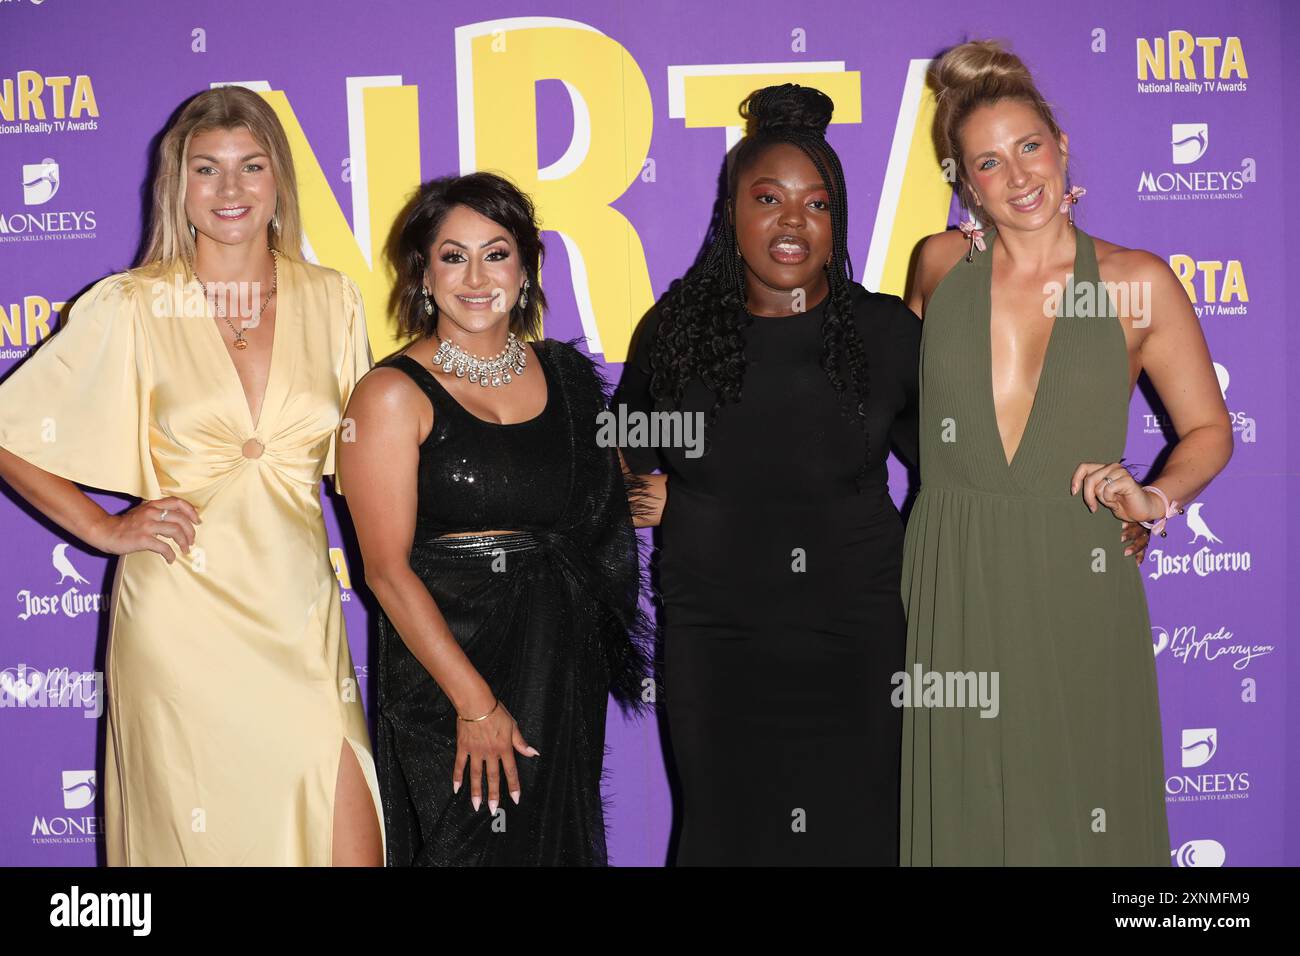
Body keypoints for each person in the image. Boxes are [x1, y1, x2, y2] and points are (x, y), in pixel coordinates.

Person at [0, 86, 382, 866]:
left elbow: (375, 461)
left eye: (251, 166)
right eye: (207, 169)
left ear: (280, 182)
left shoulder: (332, 299)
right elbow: (11, 431)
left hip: (299, 623)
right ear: (178, 185)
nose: (231, 189)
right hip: (178, 624)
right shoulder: (133, 305)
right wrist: (105, 528)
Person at [901, 40, 1233, 865]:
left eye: (1029, 147)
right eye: (987, 162)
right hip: (952, 575)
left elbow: (1210, 431)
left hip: (1075, 574)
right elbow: (887, 406)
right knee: (963, 815)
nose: (1017, 177)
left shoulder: (1138, 282)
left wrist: (1157, 501)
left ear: (1061, 147)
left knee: (1084, 815)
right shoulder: (938, 268)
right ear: (963, 182)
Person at [616, 84, 920, 865]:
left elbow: (953, 470)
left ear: (837, 221)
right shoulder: (677, 328)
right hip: (716, 639)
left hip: (857, 636)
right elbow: (621, 443)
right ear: (731, 214)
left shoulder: (885, 333)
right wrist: (642, 494)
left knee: (861, 831)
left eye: (817, 204)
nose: (793, 222)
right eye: (768, 198)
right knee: (726, 833)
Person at [340, 172, 651, 866]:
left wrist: (687, 501)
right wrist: (475, 704)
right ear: (422, 273)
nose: (476, 276)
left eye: (497, 252)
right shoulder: (390, 394)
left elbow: (598, 497)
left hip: (558, 663)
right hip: (450, 675)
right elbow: (386, 572)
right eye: (453, 256)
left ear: (527, 267)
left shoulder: (565, 375)